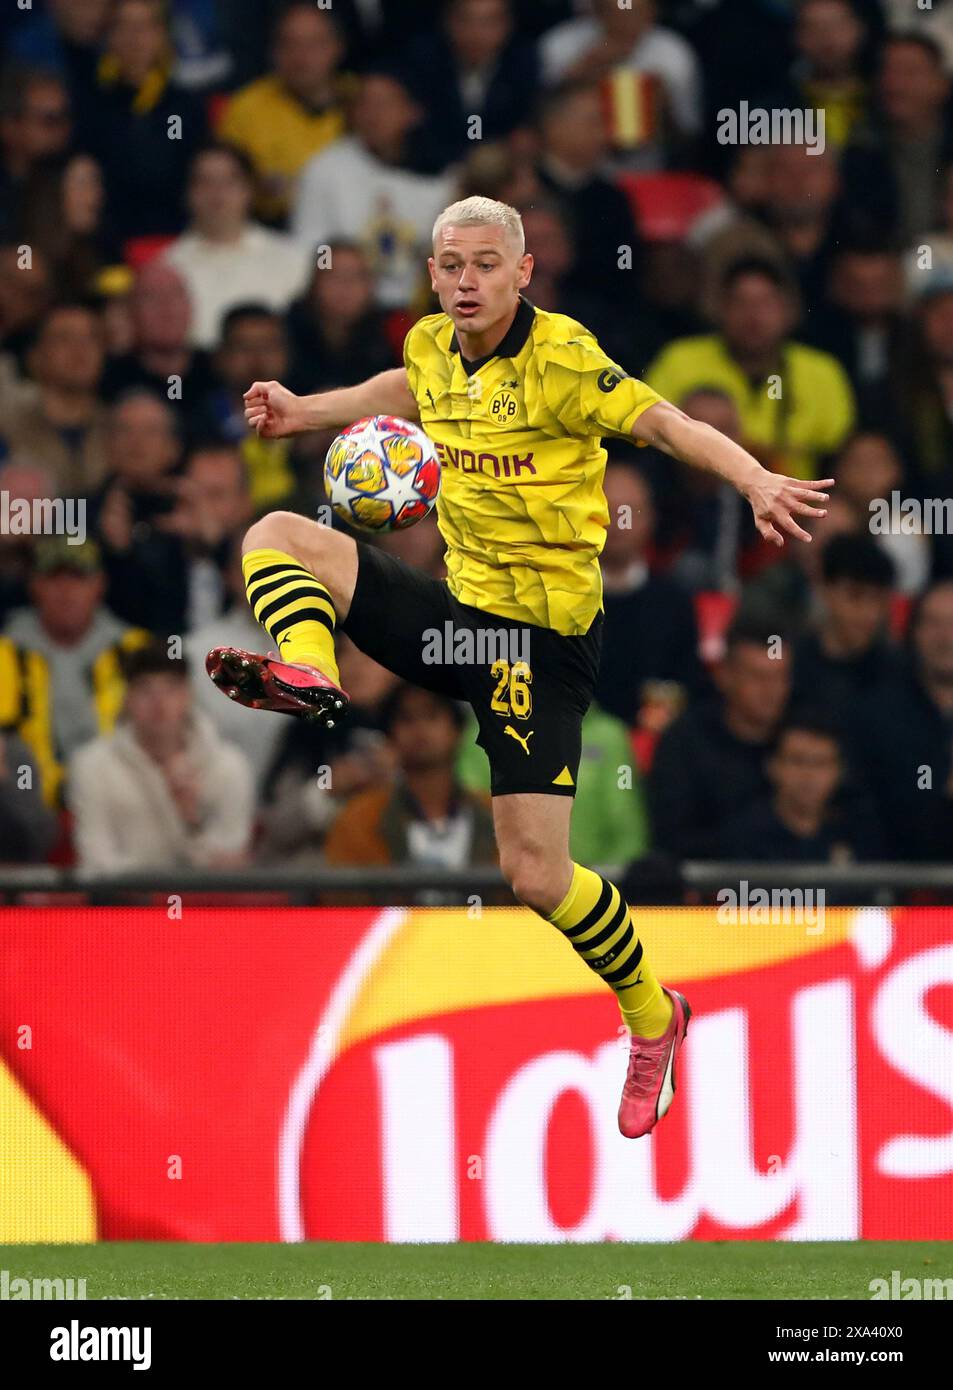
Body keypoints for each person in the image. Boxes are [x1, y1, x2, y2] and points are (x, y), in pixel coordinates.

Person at [206, 195, 832, 1140]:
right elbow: (403, 388)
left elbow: (663, 423)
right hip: (457, 615)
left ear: (522, 272)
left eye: (486, 265)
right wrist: (304, 412)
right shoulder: (431, 343)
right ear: (432, 275)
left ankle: (653, 1016)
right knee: (276, 533)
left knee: (535, 875)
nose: (467, 282)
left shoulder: (563, 359)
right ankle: (312, 673)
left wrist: (751, 477)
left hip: (535, 648)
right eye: (451, 266)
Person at [647, 257, 857, 480]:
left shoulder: (821, 372)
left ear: (788, 310)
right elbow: (650, 433)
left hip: (797, 494)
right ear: (720, 308)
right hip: (699, 490)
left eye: (765, 303)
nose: (753, 315)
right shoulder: (679, 360)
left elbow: (841, 453)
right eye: (740, 302)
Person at [69, 639, 254, 872]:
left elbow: (232, 866)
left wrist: (191, 821)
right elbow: (96, 863)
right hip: (124, 897)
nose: (159, 703)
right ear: (127, 698)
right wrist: (159, 884)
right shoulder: (92, 766)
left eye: (171, 688)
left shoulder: (229, 766)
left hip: (201, 896)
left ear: (188, 694)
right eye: (145, 689)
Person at [0, 537, 150, 807]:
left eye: (78, 577)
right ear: (34, 585)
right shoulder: (5, 653)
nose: (66, 591)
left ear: (100, 584)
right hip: (27, 809)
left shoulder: (137, 651)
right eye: (53, 578)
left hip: (124, 805)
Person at [324, 682, 497, 885]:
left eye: (431, 716)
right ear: (390, 735)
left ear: (457, 731)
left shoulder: (496, 814)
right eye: (406, 719)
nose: (419, 729)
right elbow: (344, 895)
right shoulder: (358, 819)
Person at [649, 621, 792, 858]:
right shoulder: (686, 742)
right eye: (758, 677)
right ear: (724, 676)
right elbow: (670, 836)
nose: (771, 690)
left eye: (780, 677)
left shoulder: (804, 736)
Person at [163, 143, 311, 350]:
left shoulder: (294, 260)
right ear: (188, 193)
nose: (217, 193)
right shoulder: (167, 267)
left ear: (249, 190)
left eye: (229, 181)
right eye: (205, 182)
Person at [217, 3, 346, 224]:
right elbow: (223, 185)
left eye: (314, 44)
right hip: (270, 228)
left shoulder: (361, 101)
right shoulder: (246, 108)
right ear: (274, 51)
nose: (301, 56)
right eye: (290, 44)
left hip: (349, 227)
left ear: (337, 48)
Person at [718, 711, 884, 863]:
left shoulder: (858, 834)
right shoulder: (742, 837)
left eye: (821, 763)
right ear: (772, 766)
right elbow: (738, 885)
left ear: (839, 771)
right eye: (798, 761)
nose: (808, 775)